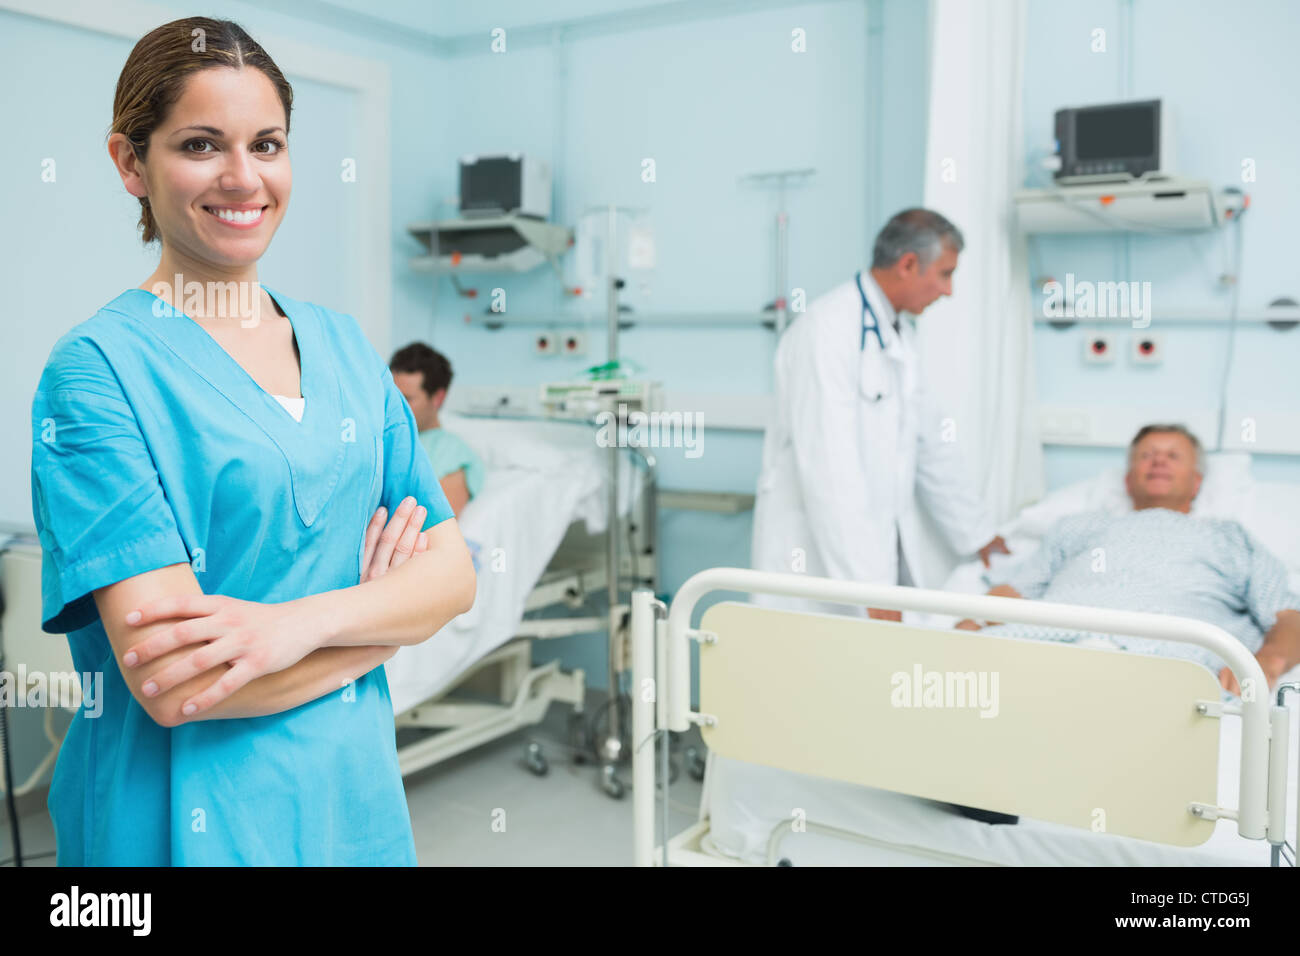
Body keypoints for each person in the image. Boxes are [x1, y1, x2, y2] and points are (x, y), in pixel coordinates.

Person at [30, 17, 475, 866]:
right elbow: (179, 683)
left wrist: (295, 626)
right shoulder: (95, 374)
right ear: (131, 163)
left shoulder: (346, 349)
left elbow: (454, 578)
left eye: (266, 144)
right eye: (202, 145)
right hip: (174, 824)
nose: (243, 178)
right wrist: (386, 628)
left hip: (354, 806)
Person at [751, 208, 1007, 616]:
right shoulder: (826, 331)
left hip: (873, 550)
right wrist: (868, 589)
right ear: (908, 265)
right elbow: (830, 471)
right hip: (815, 558)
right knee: (809, 670)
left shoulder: (899, 337)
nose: (949, 290)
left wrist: (977, 534)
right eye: (944, 274)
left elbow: (932, 449)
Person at [958, 425, 1300, 695]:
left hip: (1172, 663)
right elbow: (1015, 591)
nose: (1158, 461)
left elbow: (1286, 617)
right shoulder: (1077, 526)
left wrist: (1266, 663)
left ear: (1196, 482)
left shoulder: (1229, 537)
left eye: (1173, 456)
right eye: (1147, 455)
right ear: (1127, 478)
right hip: (1044, 646)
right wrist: (959, 634)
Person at [390, 343, 486, 517]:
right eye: (392, 397)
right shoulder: (379, 439)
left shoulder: (451, 453)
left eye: (407, 399)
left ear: (437, 398)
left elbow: (439, 524)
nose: (395, 407)